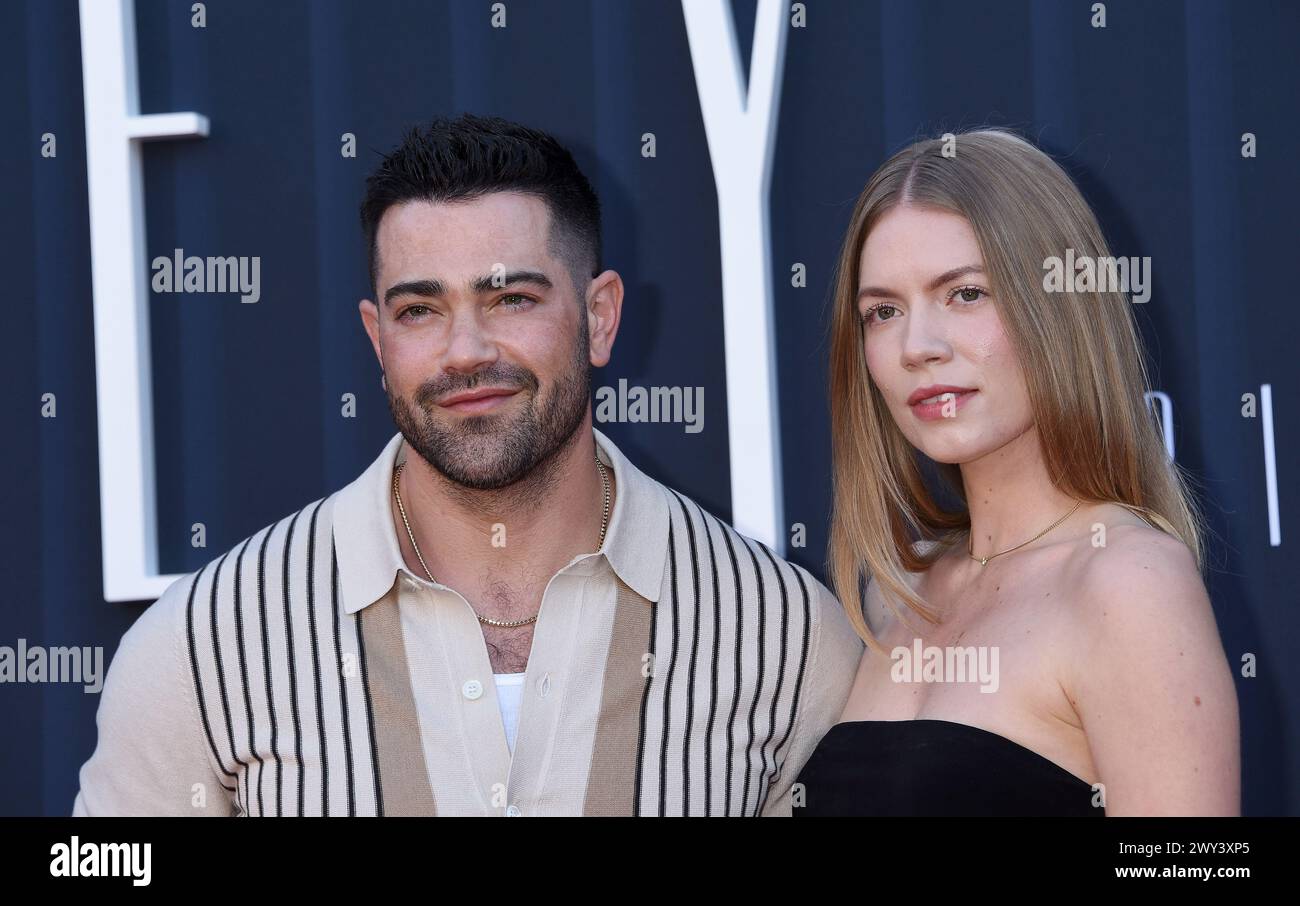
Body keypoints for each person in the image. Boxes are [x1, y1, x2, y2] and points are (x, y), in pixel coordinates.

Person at [71, 113, 861, 816]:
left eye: (511, 299)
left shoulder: (784, 638)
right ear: (378, 341)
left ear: (600, 317)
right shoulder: (204, 647)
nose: (465, 353)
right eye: (420, 310)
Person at [794, 129, 1240, 816]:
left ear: (1058, 307)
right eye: (883, 311)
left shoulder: (1127, 585)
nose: (919, 347)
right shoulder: (896, 591)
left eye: (965, 294)